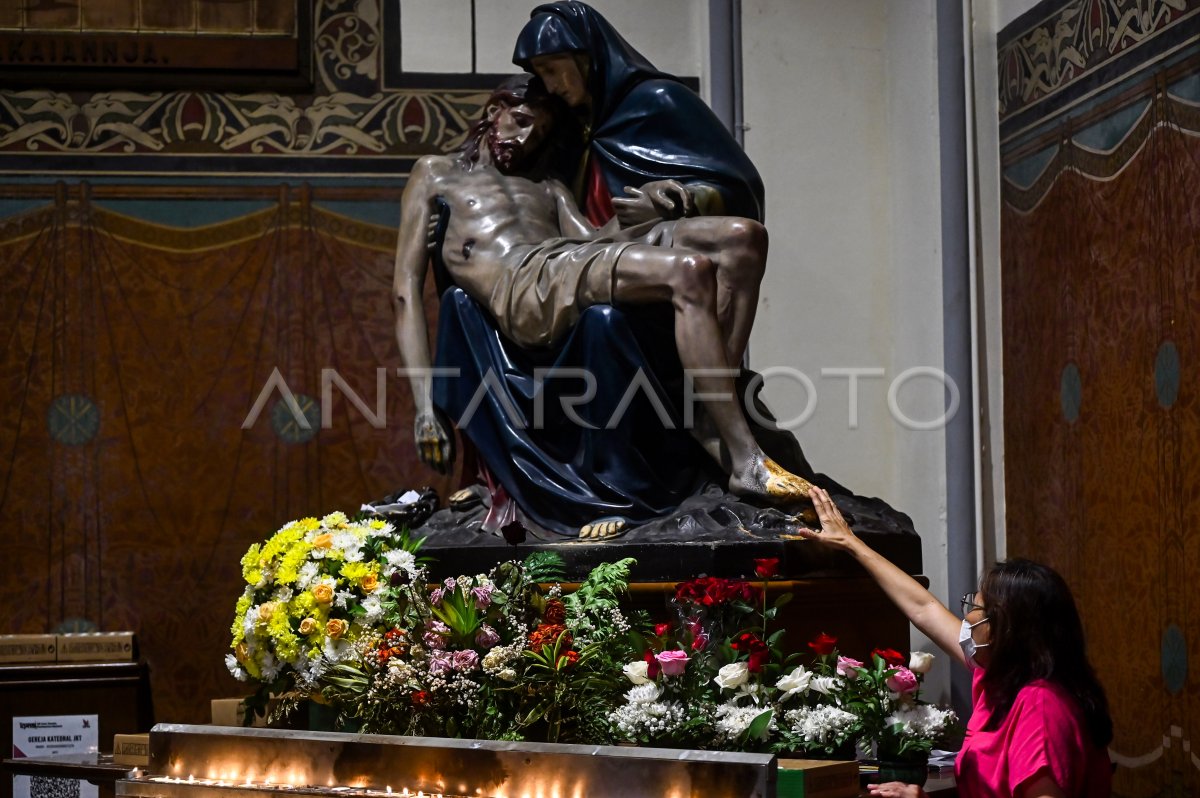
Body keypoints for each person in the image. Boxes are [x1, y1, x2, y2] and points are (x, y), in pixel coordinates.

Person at [392, 77, 812, 533]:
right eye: (522, 121)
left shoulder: (548, 187)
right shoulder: (434, 172)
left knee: (743, 239)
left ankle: (708, 411)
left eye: (540, 131)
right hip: (522, 286)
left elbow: (592, 244)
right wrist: (424, 409)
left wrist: (647, 210)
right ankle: (743, 456)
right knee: (688, 271)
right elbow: (405, 290)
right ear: (495, 111)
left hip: (563, 265)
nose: (527, 138)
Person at [798, 487, 1113, 798]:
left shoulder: (1039, 704)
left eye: (976, 609)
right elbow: (924, 608)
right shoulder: (1000, 679)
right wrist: (852, 544)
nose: (968, 620)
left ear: (1006, 630)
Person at [513, 0, 765, 229]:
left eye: (552, 70)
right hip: (588, 261)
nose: (550, 86)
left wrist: (672, 204)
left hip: (659, 262)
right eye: (541, 74)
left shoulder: (661, 100)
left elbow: (741, 189)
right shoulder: (572, 127)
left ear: (586, 58)